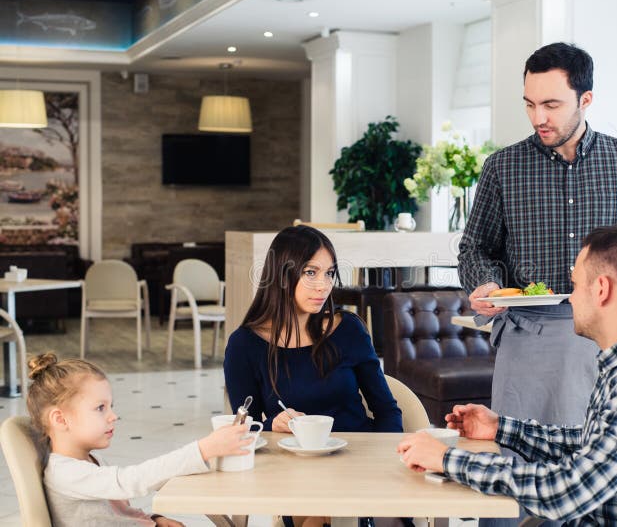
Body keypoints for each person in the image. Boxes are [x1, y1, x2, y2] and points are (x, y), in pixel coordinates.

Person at [457, 41, 617, 527]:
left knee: (594, 469)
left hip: (610, 337)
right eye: (531, 104)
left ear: (586, 99)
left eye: (552, 104)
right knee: (515, 463)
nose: (539, 117)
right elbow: (474, 248)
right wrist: (488, 285)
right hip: (530, 335)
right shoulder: (503, 168)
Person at [398, 223, 617, 526]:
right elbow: (594, 446)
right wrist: (503, 429)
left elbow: (567, 491)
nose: (570, 299)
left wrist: (446, 460)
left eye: (574, 286)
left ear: (601, 289)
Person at [224, 224, 403, 527]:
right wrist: (273, 424)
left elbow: (387, 411)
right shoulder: (245, 345)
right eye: (310, 272)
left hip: (362, 464)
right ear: (282, 276)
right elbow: (245, 434)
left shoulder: (348, 329)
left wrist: (386, 469)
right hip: (298, 474)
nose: (323, 285)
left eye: (330, 273)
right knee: (316, 508)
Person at [26, 352, 251, 527]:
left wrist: (153, 519)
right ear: (60, 419)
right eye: (100, 408)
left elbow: (117, 514)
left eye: (110, 407)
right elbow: (130, 482)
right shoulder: (65, 473)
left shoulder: (91, 459)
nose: (113, 416)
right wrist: (204, 449)